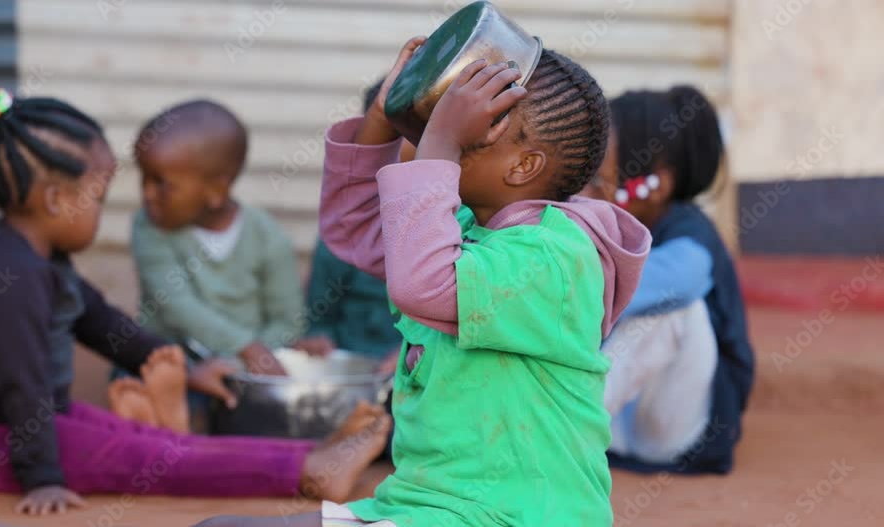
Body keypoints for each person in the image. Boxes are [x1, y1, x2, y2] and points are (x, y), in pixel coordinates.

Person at [198, 34, 651, 526]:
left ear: (523, 166)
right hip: (429, 507)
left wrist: (439, 144)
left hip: (514, 514)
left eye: (465, 136)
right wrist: (383, 118)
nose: (435, 143)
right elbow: (359, 230)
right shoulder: (467, 231)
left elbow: (422, 283)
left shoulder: (558, 259)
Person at [0, 84, 391, 517]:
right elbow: (25, 385)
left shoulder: (39, 258)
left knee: (160, 444)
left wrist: (169, 363)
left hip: (22, 425)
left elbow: (102, 323)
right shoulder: (13, 274)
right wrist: (41, 477)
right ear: (57, 201)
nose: (105, 212)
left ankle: (310, 455)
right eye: (99, 197)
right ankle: (305, 471)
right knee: (150, 459)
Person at [581, 86, 755, 474]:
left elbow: (602, 293)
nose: (598, 177)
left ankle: (563, 432)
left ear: (659, 180)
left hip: (678, 430)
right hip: (621, 424)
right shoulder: (616, 227)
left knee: (677, 307)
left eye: (610, 166)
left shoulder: (693, 239)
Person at [131, 100, 333, 379]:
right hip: (173, 364)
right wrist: (245, 347)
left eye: (161, 183)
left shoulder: (267, 237)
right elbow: (176, 305)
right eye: (144, 178)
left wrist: (247, 361)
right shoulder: (149, 227)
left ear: (216, 190)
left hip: (243, 373)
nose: (148, 193)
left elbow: (287, 322)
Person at [305, 79, 412, 372]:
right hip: (354, 364)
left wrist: (411, 354)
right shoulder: (350, 225)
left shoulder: (458, 222)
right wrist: (318, 338)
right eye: (390, 136)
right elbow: (319, 316)